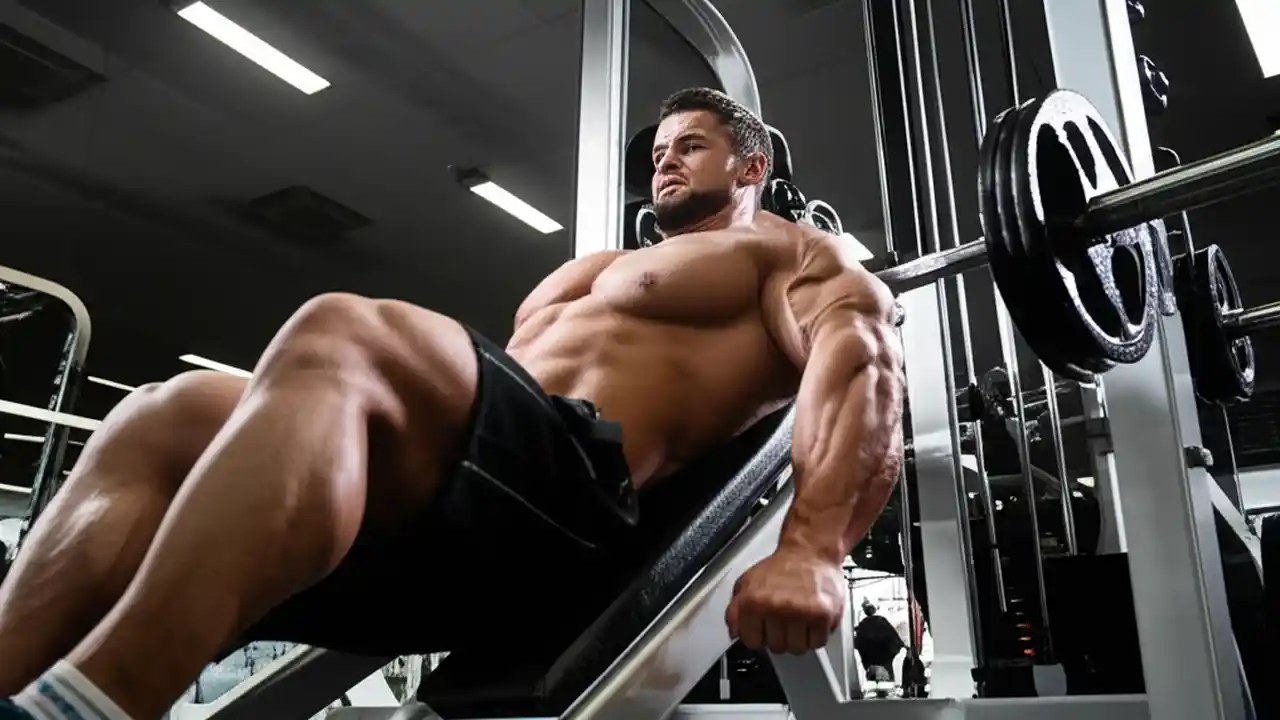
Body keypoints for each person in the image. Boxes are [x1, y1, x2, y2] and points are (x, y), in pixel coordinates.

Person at [0, 87, 904, 720]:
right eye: (659, 151)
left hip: (574, 495)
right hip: (463, 501)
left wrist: (814, 549)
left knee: (344, 330)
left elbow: (863, 362)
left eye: (689, 147)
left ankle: (98, 701)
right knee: (171, 411)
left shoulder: (795, 256)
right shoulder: (597, 268)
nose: (664, 161)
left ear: (751, 162)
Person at [854, 600, 904, 683]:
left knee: (872, 687)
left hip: (871, 664)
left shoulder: (863, 625)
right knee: (888, 684)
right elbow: (894, 639)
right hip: (885, 661)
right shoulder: (882, 621)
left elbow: (858, 643)